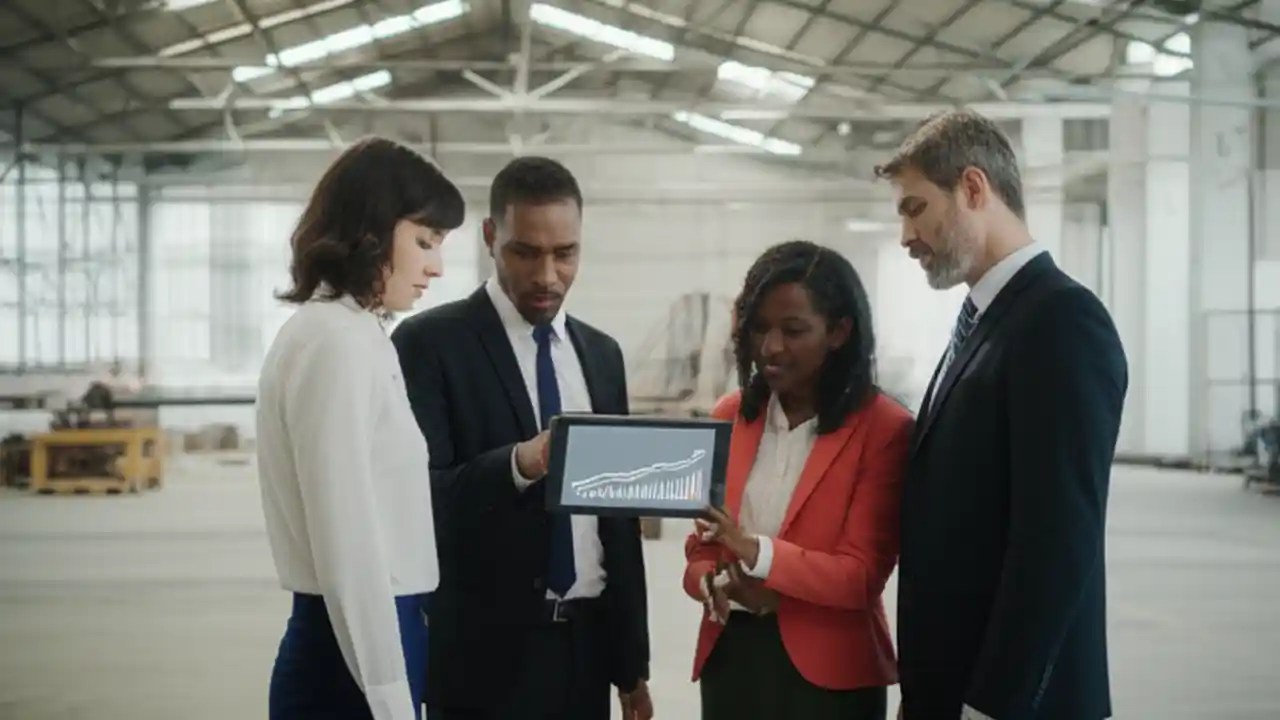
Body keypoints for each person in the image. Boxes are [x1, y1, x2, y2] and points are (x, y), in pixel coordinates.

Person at [875, 110, 1128, 720]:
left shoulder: (1062, 322)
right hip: (950, 686)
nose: (906, 235)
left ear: (972, 188)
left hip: (1011, 702)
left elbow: (1056, 542)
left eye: (914, 208)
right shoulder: (985, 323)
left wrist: (993, 704)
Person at [390, 156, 653, 720]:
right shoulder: (429, 345)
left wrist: (631, 667)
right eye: (526, 252)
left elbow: (619, 526)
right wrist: (520, 463)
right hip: (482, 665)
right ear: (490, 237)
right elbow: (418, 502)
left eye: (565, 253)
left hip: (584, 656)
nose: (547, 275)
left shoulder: (602, 356)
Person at [255, 137, 464, 720]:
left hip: (373, 632)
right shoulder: (334, 343)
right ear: (370, 232)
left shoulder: (356, 334)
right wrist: (389, 695)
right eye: (424, 241)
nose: (436, 266)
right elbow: (349, 543)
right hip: (352, 648)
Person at [683, 240, 914, 720]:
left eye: (793, 330)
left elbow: (860, 577)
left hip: (832, 677)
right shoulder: (729, 417)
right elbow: (702, 547)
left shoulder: (884, 429)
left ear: (839, 332)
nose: (770, 347)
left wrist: (754, 553)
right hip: (733, 662)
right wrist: (709, 581)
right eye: (759, 328)